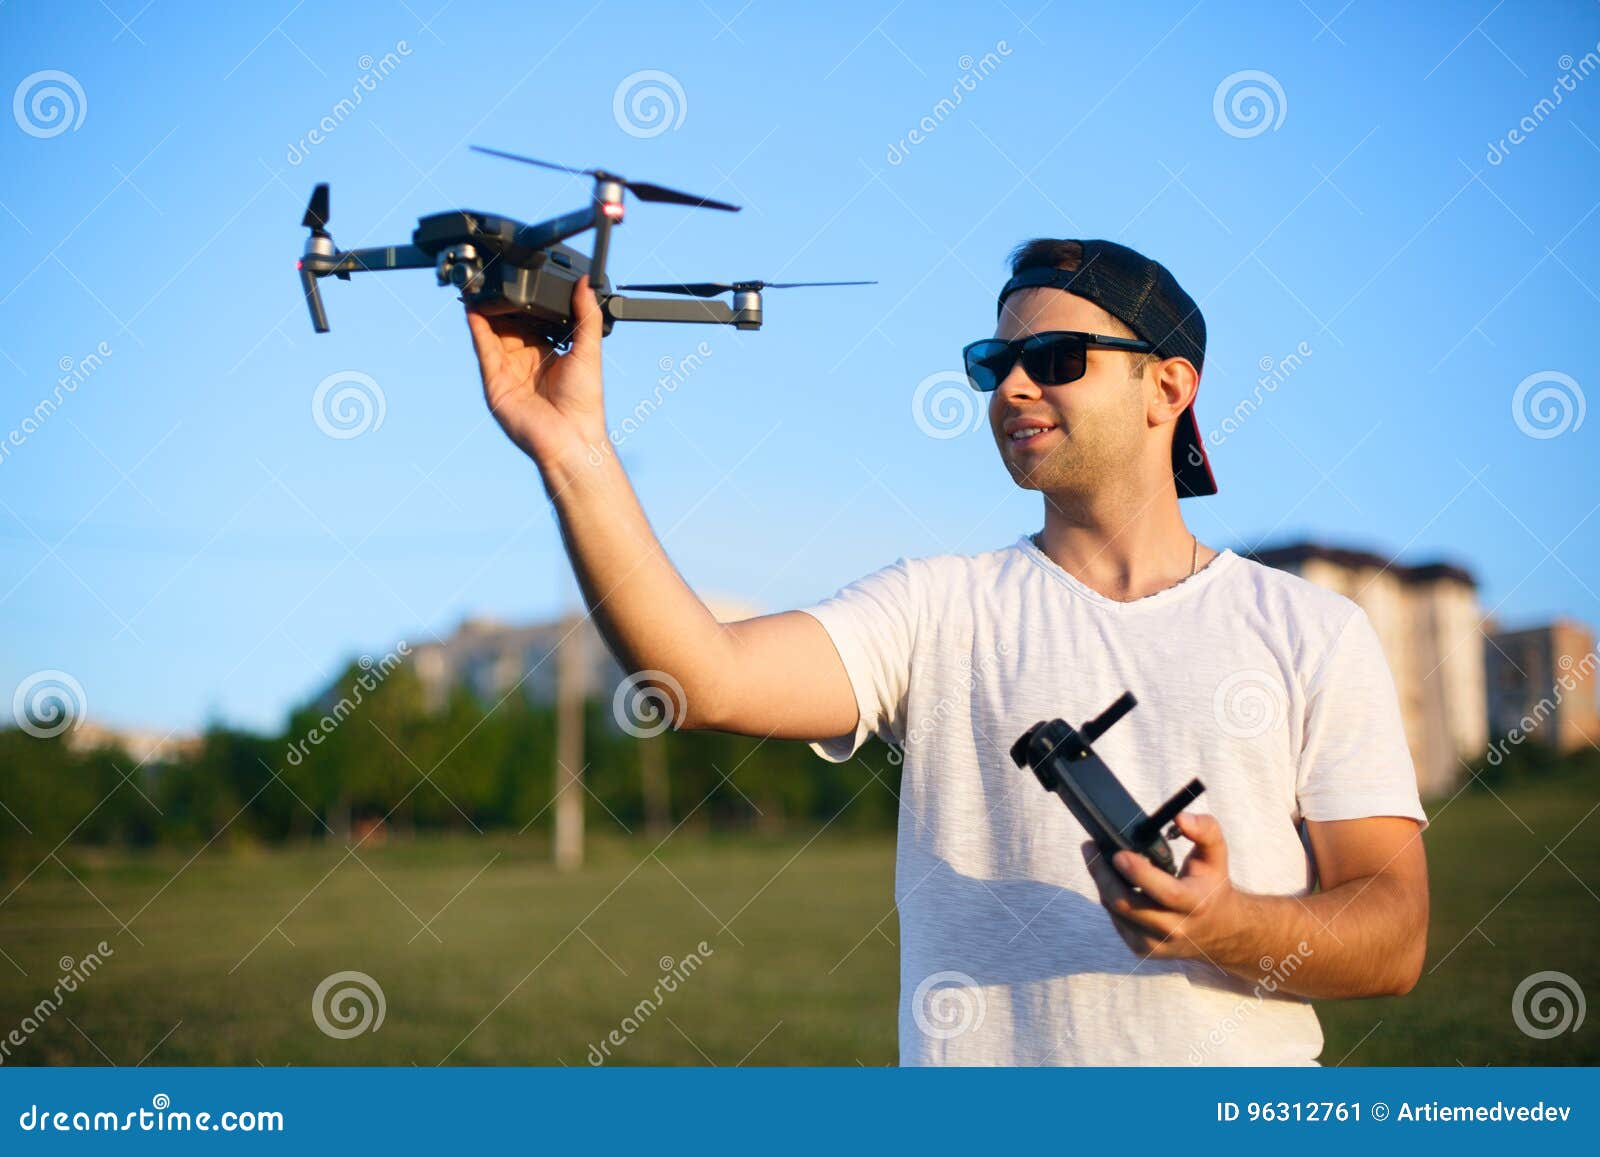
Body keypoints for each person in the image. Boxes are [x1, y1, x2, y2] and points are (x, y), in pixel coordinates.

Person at [464, 237, 1430, 1066]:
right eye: (992, 361)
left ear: (1167, 386)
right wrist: (573, 451)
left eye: (1055, 357)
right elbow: (702, 678)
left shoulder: (1310, 628)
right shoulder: (937, 606)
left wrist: (1226, 924)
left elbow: (1395, 937)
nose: (1012, 385)